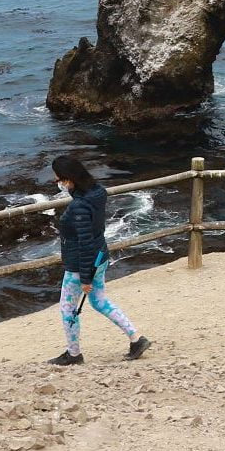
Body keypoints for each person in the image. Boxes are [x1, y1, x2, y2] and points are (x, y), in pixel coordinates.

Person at [48, 155, 150, 365]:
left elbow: (84, 242)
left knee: (68, 309)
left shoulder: (79, 206)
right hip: (100, 256)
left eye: (58, 180)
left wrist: (85, 278)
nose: (58, 184)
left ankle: (74, 354)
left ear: (68, 179)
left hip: (80, 264)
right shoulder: (96, 193)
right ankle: (136, 339)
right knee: (100, 301)